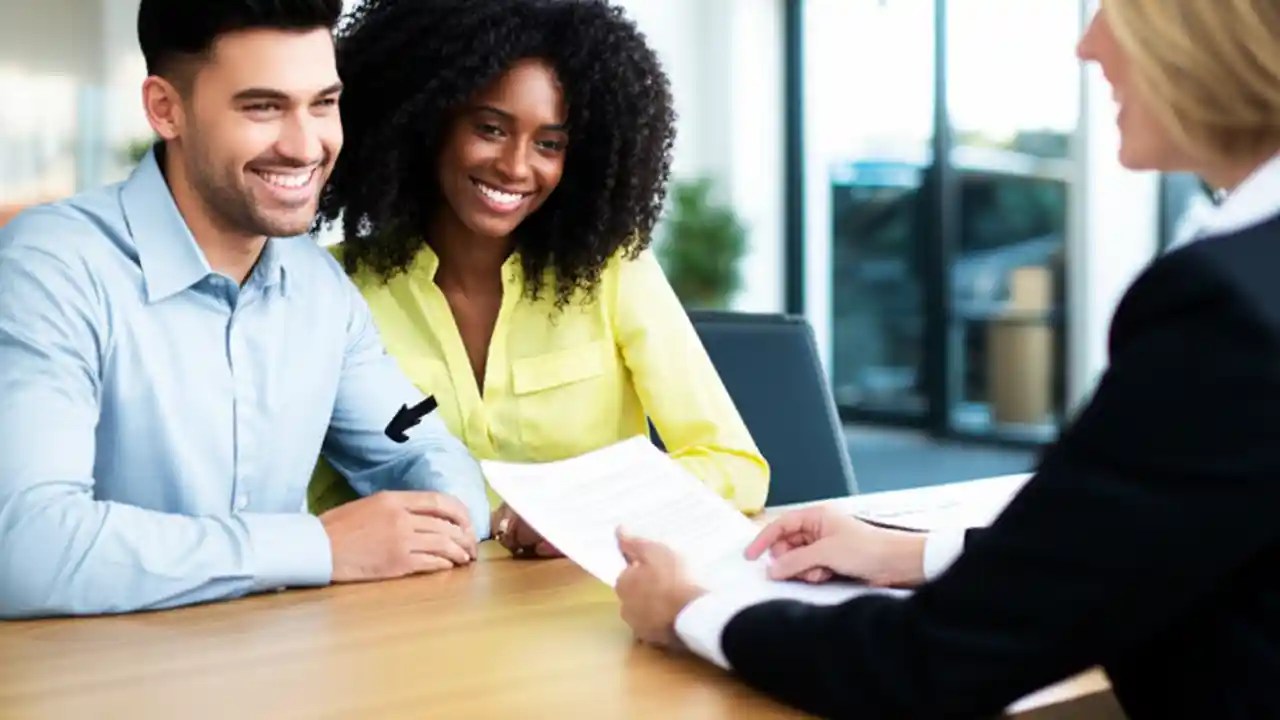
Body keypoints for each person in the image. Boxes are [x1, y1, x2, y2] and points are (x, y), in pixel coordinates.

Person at [615, 1, 1280, 717]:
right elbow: (1152, 534)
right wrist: (909, 553)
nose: (1088, 47)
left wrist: (690, 610)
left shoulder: (1225, 309)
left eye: (1115, 13)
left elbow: (930, 662)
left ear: (1210, 32)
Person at [0, 0, 492, 620]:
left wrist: (447, 513)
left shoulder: (320, 291)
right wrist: (318, 547)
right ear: (164, 109)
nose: (305, 145)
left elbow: (414, 445)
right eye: (262, 107)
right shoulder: (52, 268)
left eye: (323, 103)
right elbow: (25, 550)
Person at [308, 0, 769, 558]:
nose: (516, 166)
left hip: (586, 609)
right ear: (428, 120)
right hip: (406, 612)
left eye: (549, 143)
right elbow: (318, 497)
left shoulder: (611, 271)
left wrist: (591, 509)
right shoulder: (333, 287)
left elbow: (733, 466)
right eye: (490, 128)